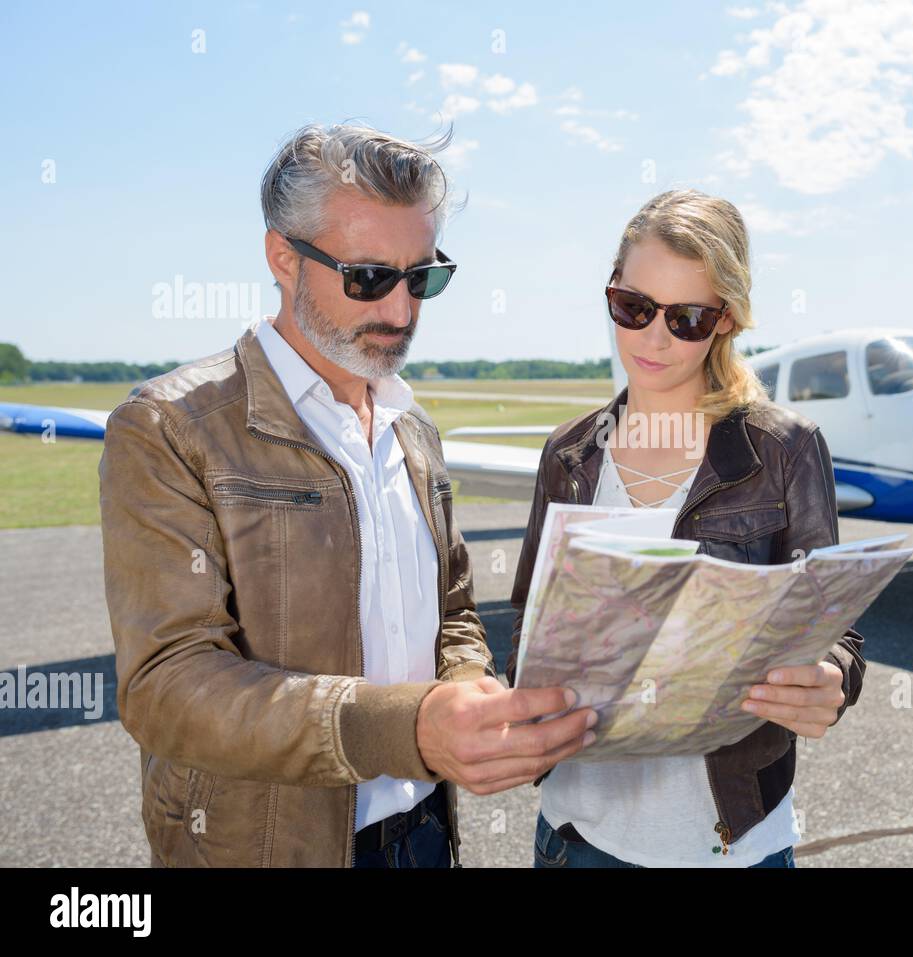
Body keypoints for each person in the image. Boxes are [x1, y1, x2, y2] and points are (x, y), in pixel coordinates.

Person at [99, 122, 595, 868]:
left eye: (422, 276)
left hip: (428, 832)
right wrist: (411, 729)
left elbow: (454, 610)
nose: (400, 312)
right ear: (282, 258)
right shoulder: (170, 426)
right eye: (367, 277)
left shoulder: (413, 427)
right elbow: (167, 685)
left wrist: (470, 694)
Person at [507, 188, 866, 868]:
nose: (652, 338)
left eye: (687, 318)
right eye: (634, 307)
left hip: (731, 845)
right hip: (576, 835)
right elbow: (526, 622)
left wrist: (830, 680)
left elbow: (837, 630)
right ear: (611, 292)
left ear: (726, 320)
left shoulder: (785, 450)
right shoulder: (568, 454)